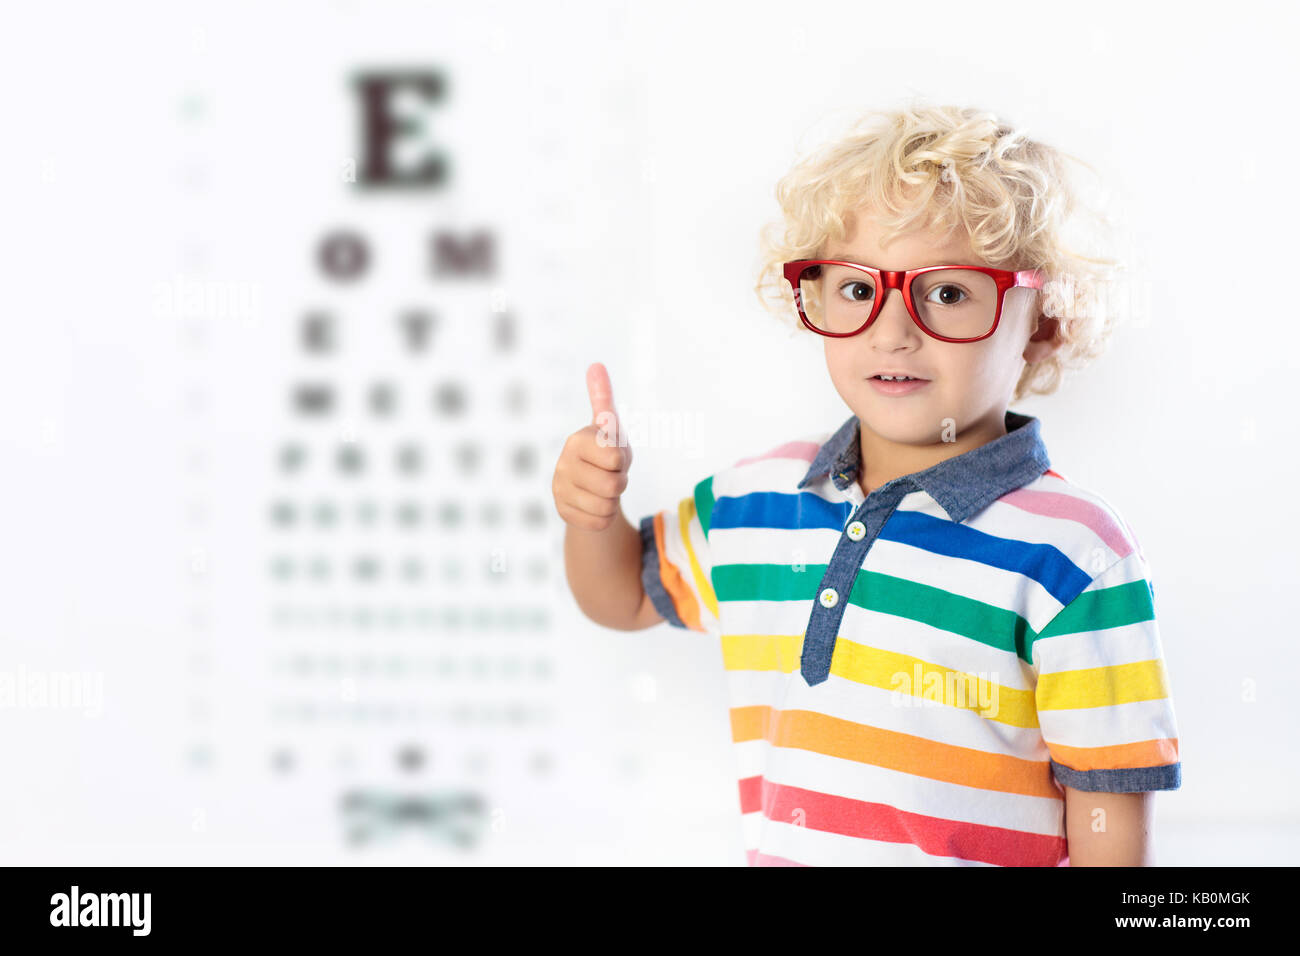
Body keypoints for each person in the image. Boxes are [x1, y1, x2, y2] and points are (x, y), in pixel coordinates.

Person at [551, 102, 1180, 866]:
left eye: (947, 292)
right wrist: (593, 513)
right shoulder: (758, 501)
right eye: (857, 289)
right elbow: (620, 596)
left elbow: (1110, 821)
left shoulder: (1077, 556)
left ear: (1042, 320)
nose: (893, 331)